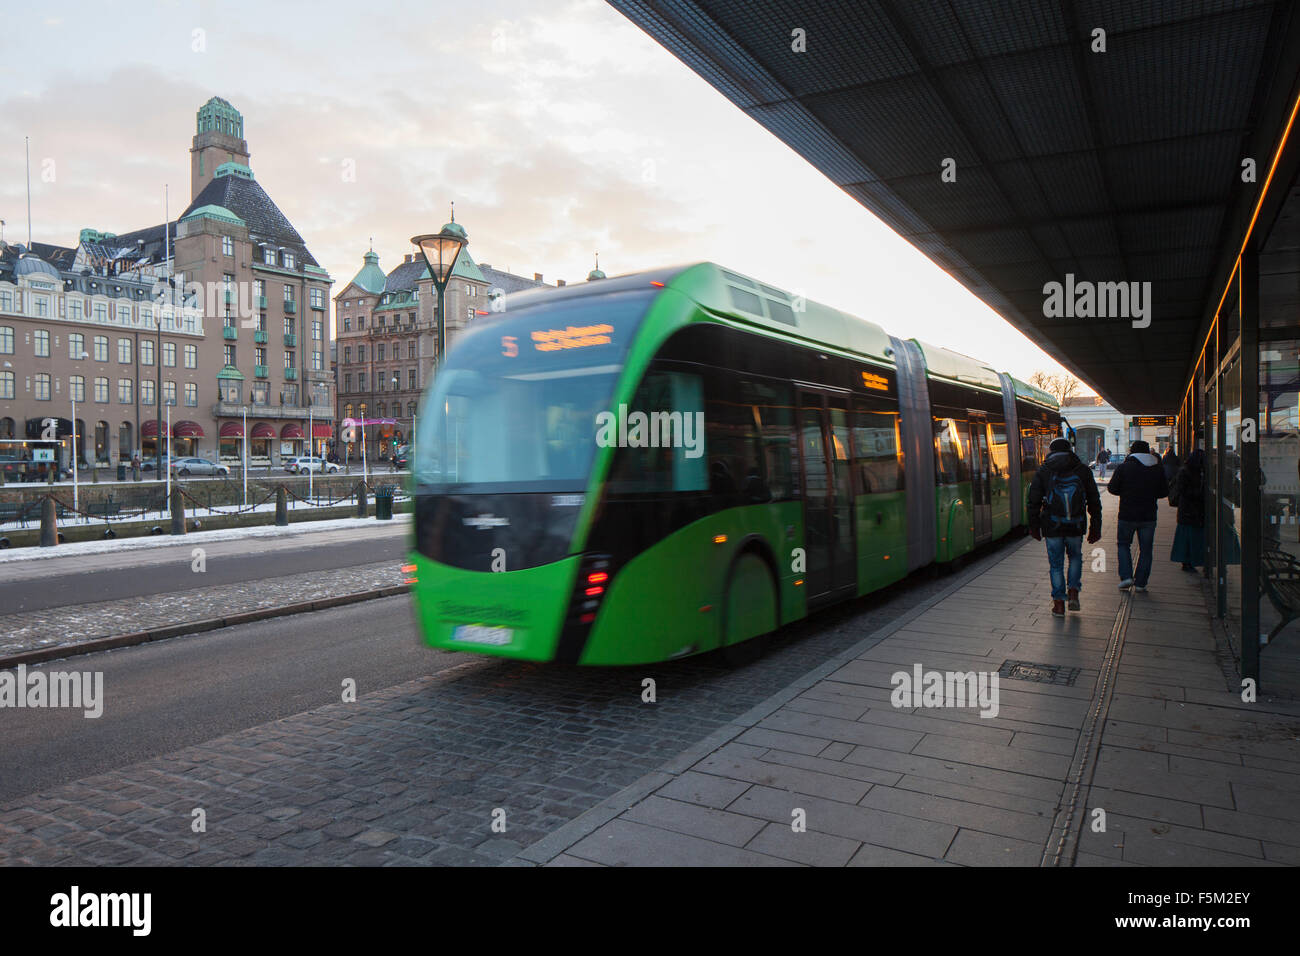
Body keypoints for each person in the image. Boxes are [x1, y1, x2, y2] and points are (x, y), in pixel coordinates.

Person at [1028, 436, 1102, 618]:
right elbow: (1094, 500)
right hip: (1075, 524)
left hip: (1052, 525)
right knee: (1076, 557)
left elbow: (1033, 502)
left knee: (1056, 565)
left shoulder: (1044, 470)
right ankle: (1074, 592)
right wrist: (1095, 527)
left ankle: (1059, 604)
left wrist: (1034, 527)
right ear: (1070, 450)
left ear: (1051, 451)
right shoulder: (1082, 470)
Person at [1106, 439, 1168, 591]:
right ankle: (1141, 583)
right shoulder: (1157, 468)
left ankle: (1126, 576)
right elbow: (1164, 492)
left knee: (1123, 545)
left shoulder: (1124, 467)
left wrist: (1126, 492)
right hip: (1148, 515)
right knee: (1146, 549)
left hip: (1127, 514)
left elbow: (1112, 488)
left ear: (1132, 451)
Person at [1168, 449, 1205, 571]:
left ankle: (1190, 560)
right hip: (1190, 510)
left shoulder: (1191, 471)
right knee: (1189, 537)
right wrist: (1199, 494)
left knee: (1189, 537)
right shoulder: (1187, 472)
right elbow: (1183, 490)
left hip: (1189, 510)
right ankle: (1188, 561)